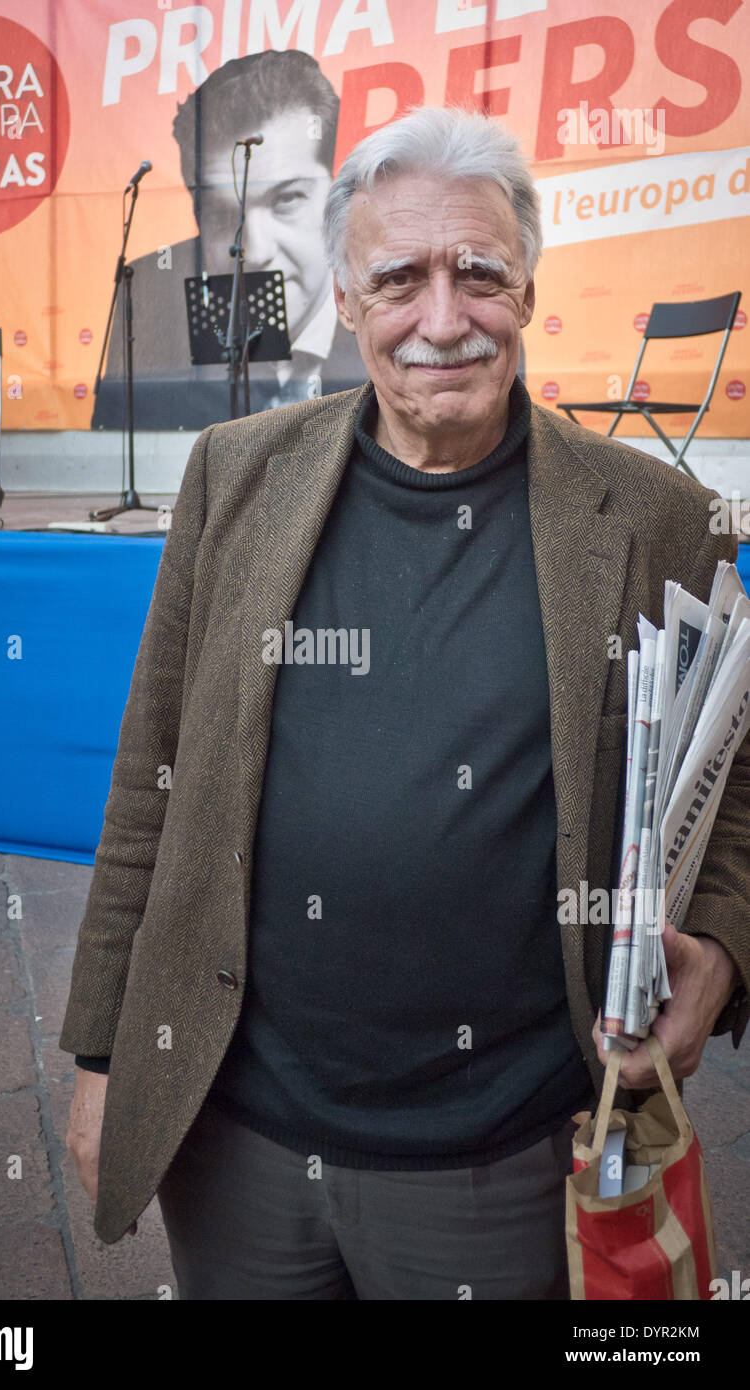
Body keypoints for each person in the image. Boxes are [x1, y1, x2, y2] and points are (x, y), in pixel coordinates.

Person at [63, 106, 749, 1300]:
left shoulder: (656, 521)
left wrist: (726, 956)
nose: (444, 319)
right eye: (399, 279)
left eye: (478, 272)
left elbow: (731, 792)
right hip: (239, 1141)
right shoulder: (233, 476)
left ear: (527, 287)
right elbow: (148, 784)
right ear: (343, 294)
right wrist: (104, 1055)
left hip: (504, 1162)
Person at [91, 49, 365, 430]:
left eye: (286, 200)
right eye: (222, 214)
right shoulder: (149, 293)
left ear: (335, 196)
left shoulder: (387, 292)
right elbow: (117, 434)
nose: (255, 250)